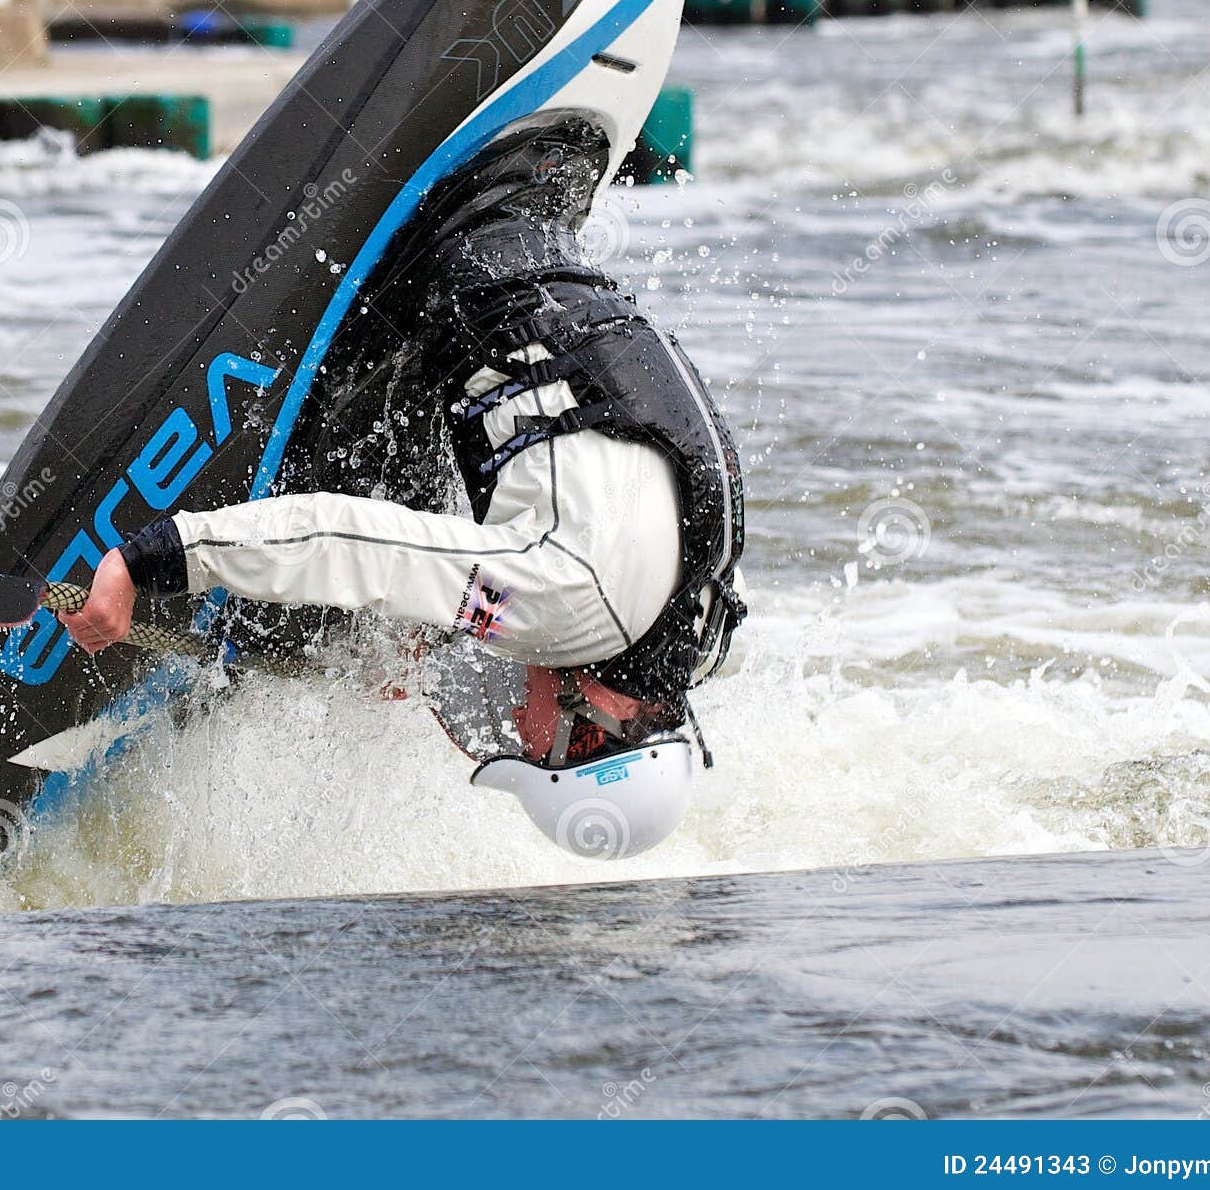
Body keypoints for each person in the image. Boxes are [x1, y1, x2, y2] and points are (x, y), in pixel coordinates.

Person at [61, 118, 746, 859]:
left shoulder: (706, 640)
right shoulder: (561, 604)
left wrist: (427, 632)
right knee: (320, 594)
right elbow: (347, 544)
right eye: (536, 746)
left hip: (544, 227)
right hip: (454, 246)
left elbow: (555, 543)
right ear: (590, 727)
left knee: (410, 579)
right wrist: (153, 559)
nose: (518, 724)